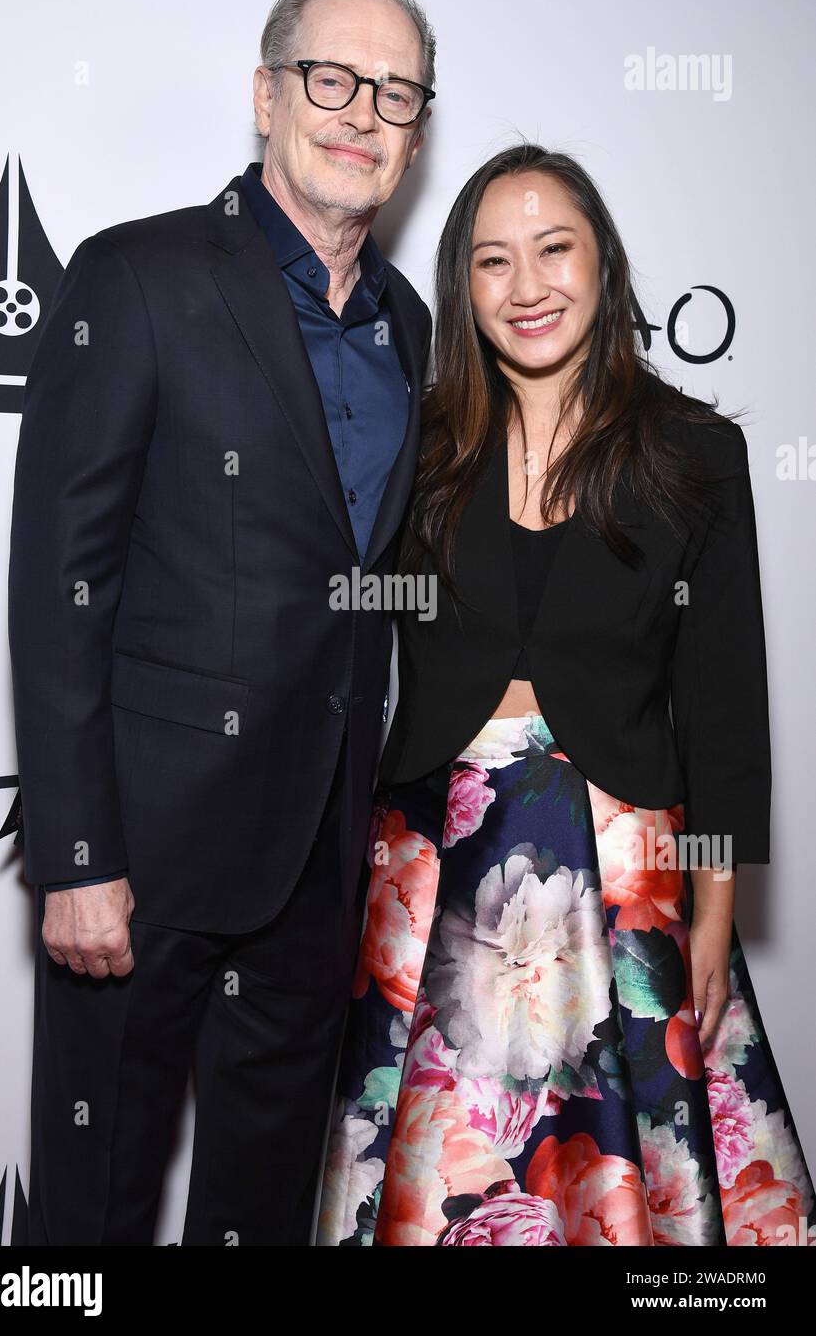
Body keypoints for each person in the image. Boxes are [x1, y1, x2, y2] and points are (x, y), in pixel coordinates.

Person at [315, 143, 815, 1247]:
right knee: (441, 1178)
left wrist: (716, 905)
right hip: (434, 862)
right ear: (463, 285)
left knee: (621, 1183)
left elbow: (725, 706)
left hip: (627, 862)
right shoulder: (422, 440)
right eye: (492, 261)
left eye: (554, 250)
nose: (526, 285)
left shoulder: (694, 451)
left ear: (604, 264)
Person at [7, 0, 435, 1246]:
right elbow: (58, 584)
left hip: (315, 860)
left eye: (396, 92)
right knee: (87, 1215)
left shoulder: (410, 327)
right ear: (267, 96)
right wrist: (80, 857)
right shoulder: (136, 276)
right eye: (331, 78)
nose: (361, 112)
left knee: (259, 1207)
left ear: (417, 134)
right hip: (141, 859)